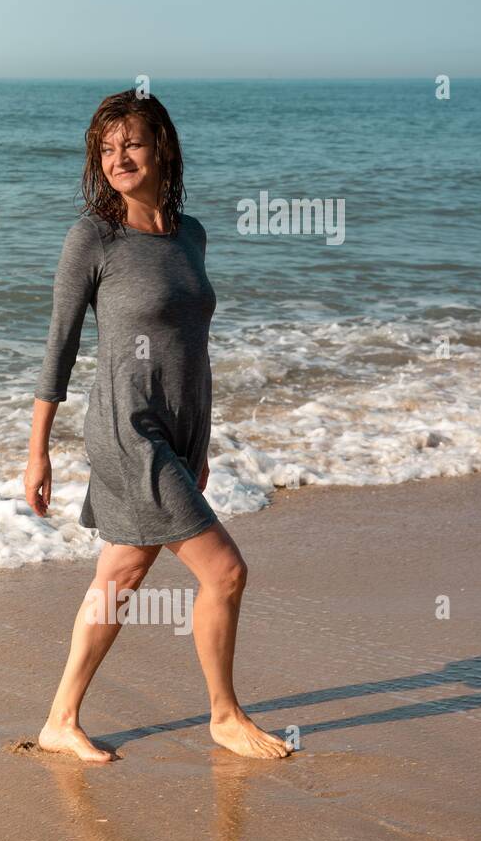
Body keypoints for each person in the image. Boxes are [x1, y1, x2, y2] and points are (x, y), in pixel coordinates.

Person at [24, 89, 291, 762]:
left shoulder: (189, 234)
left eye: (131, 143)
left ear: (161, 148)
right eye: (107, 149)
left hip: (176, 432)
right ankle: (224, 715)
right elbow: (59, 345)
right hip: (126, 431)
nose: (118, 158)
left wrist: (198, 442)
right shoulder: (94, 237)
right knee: (226, 570)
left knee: (120, 573)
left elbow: (192, 347)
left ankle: (60, 719)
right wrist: (38, 452)